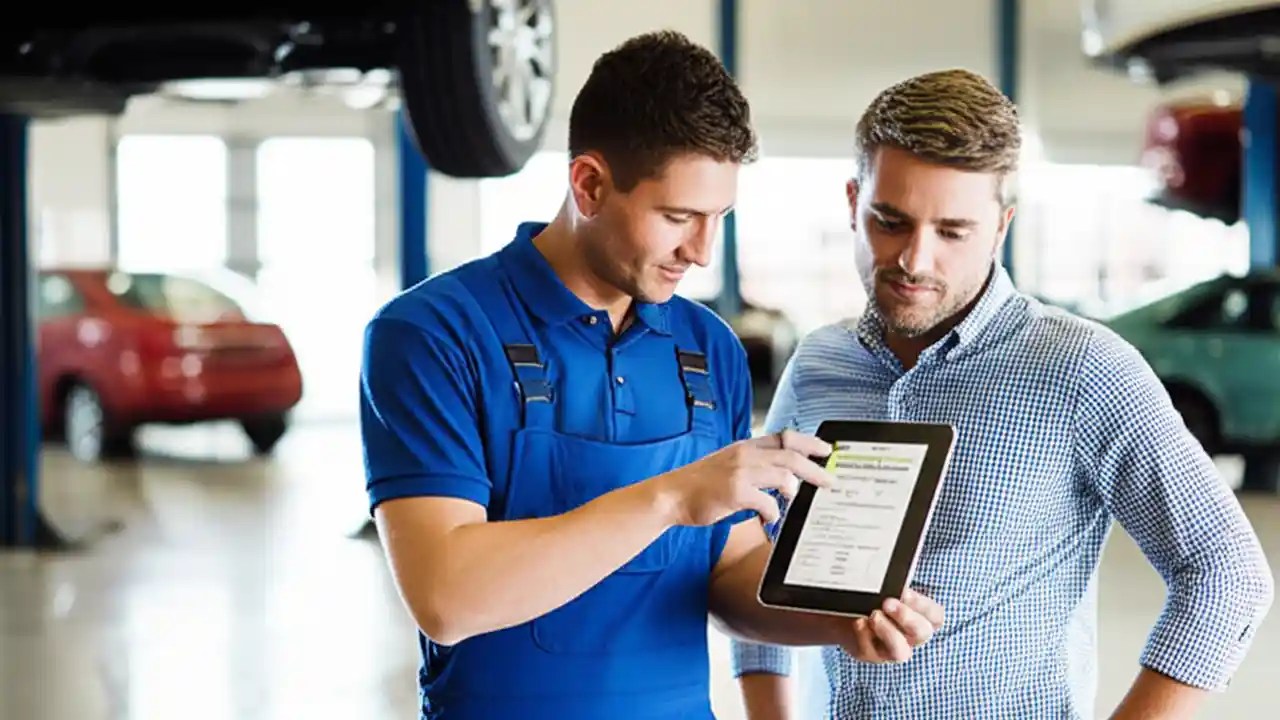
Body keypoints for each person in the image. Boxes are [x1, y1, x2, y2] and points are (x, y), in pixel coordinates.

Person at [359, 31, 945, 720]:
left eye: (717, 218)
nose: (700, 252)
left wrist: (838, 615)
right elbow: (448, 598)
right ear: (589, 184)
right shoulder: (434, 335)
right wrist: (670, 497)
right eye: (677, 217)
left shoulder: (707, 349)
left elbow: (726, 573)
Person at [731, 68, 1276, 719]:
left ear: (1001, 225)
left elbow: (1225, 574)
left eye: (953, 231)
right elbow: (758, 556)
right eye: (890, 221)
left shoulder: (1080, 369)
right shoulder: (820, 362)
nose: (915, 259)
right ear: (853, 201)